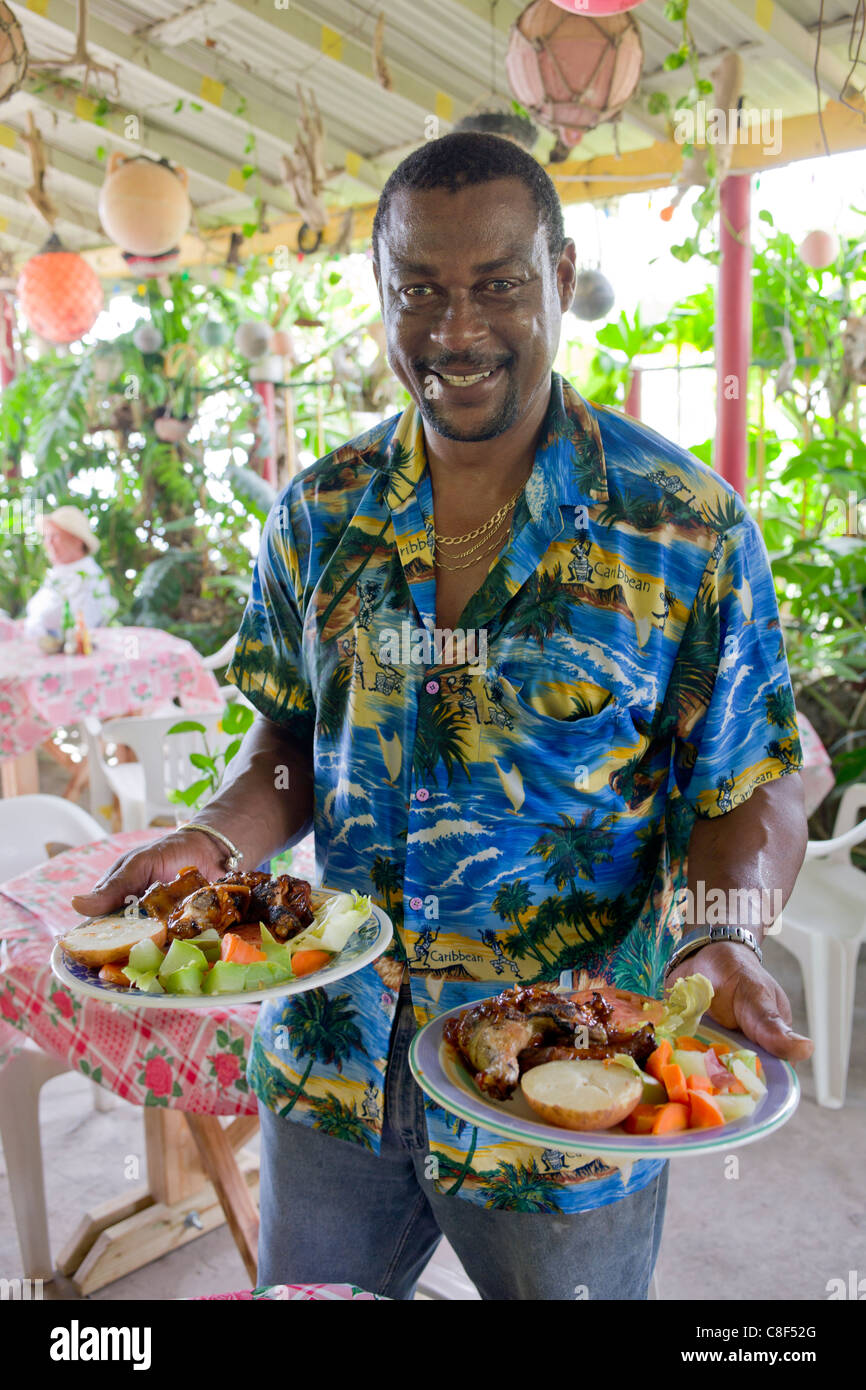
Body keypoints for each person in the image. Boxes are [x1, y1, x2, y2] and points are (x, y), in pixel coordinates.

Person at [73, 133, 812, 1301]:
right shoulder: (317, 515)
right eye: (418, 290)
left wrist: (718, 933)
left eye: (496, 285)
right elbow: (285, 753)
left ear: (560, 277)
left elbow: (749, 785)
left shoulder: (685, 529)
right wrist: (210, 846)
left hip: (567, 1105)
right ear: (379, 293)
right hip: (331, 1069)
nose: (454, 329)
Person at [24, 505, 118, 638]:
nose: (49, 543)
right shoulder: (59, 572)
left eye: (55, 536)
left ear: (78, 540)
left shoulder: (88, 576)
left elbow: (79, 628)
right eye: (47, 536)